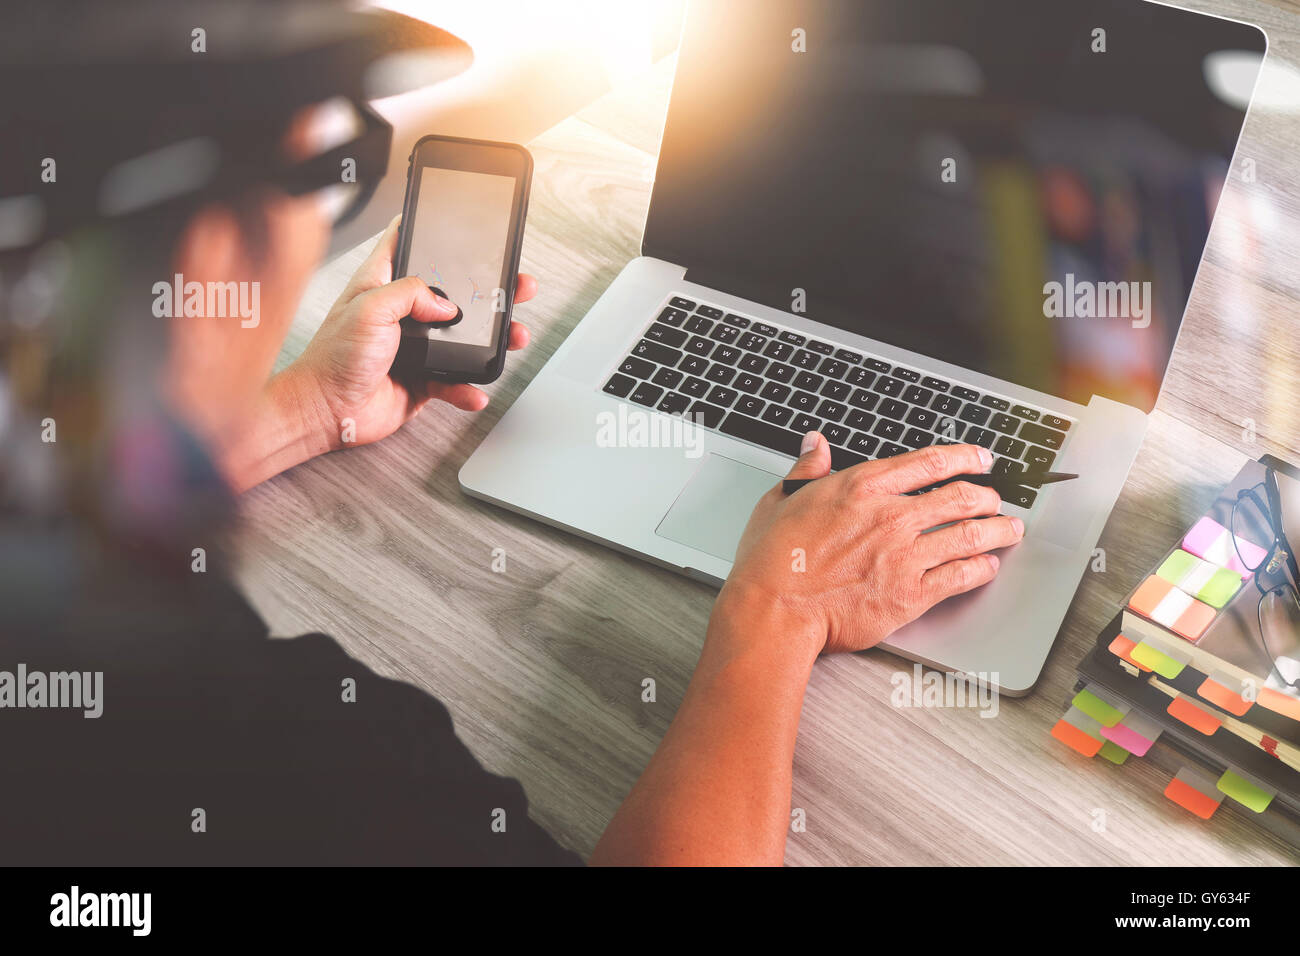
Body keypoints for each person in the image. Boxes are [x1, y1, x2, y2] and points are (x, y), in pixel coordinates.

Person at [0, 0, 1021, 866]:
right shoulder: (283, 754)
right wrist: (775, 612)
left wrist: (303, 409)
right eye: (338, 163)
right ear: (218, 241)